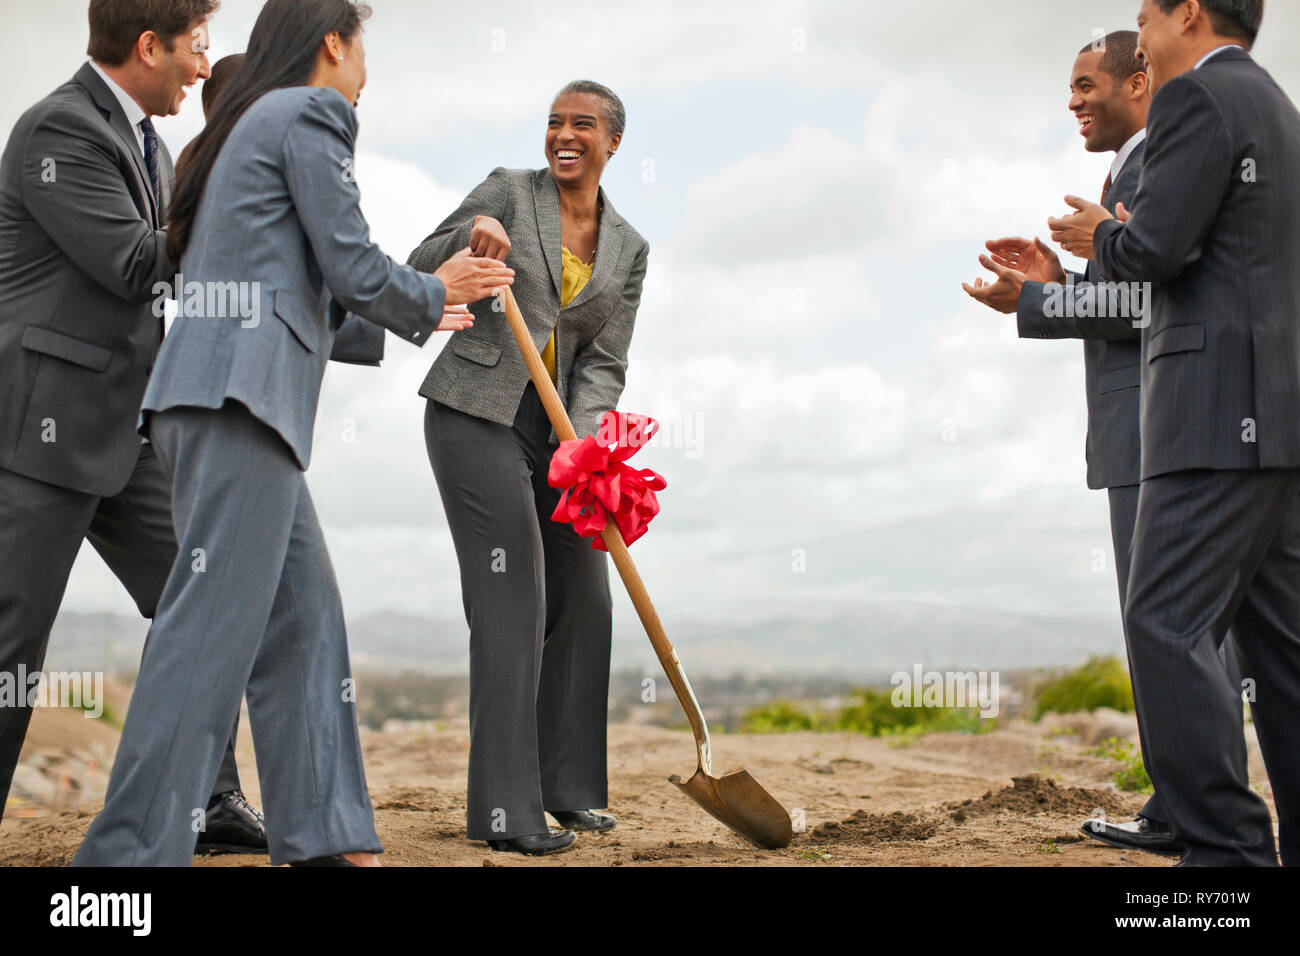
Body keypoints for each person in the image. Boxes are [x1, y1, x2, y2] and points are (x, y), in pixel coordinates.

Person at [72, 0, 513, 867]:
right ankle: (122, 861)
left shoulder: (243, 127)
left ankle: (326, 837)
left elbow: (307, 284)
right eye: (362, 54)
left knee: (303, 623)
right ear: (333, 41)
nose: (362, 79)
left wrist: (431, 289)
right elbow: (349, 262)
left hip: (223, 401)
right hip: (243, 402)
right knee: (205, 634)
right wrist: (434, 293)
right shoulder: (312, 112)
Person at [964, 30, 1242, 858]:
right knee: (1181, 633)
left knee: (1172, 628)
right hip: (1157, 425)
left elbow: (1151, 306)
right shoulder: (1137, 166)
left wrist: (1040, 301)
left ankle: (1191, 818)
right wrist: (1059, 284)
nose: (1075, 101)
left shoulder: (1160, 165)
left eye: (1089, 84)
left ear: (1140, 80)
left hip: (1161, 427)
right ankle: (1177, 804)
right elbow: (1137, 297)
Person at [0, 0, 266, 854]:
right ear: (149, 45)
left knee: (201, 594)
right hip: (39, 429)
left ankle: (211, 799)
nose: (204, 67)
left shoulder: (147, 141)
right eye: (197, 49)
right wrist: (240, 175)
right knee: (11, 641)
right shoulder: (60, 132)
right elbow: (135, 263)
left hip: (129, 427)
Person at [1051, 0, 1299, 866]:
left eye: (1149, 14)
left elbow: (1155, 253)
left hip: (1205, 415)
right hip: (1277, 424)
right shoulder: (1276, 103)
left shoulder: (1197, 98)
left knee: (1164, 624)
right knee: (1281, 658)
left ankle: (1225, 861)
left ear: (1188, 12)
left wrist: (1100, 236)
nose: (1144, 33)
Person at [407, 80, 649, 856]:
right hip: (476, 414)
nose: (564, 135)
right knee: (515, 599)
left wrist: (580, 439)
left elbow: (606, 359)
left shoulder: (629, 248)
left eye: (582, 124)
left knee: (585, 594)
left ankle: (567, 788)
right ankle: (506, 812)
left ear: (613, 142)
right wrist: (467, 236)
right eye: (553, 122)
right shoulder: (508, 193)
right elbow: (417, 266)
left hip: (558, 437)